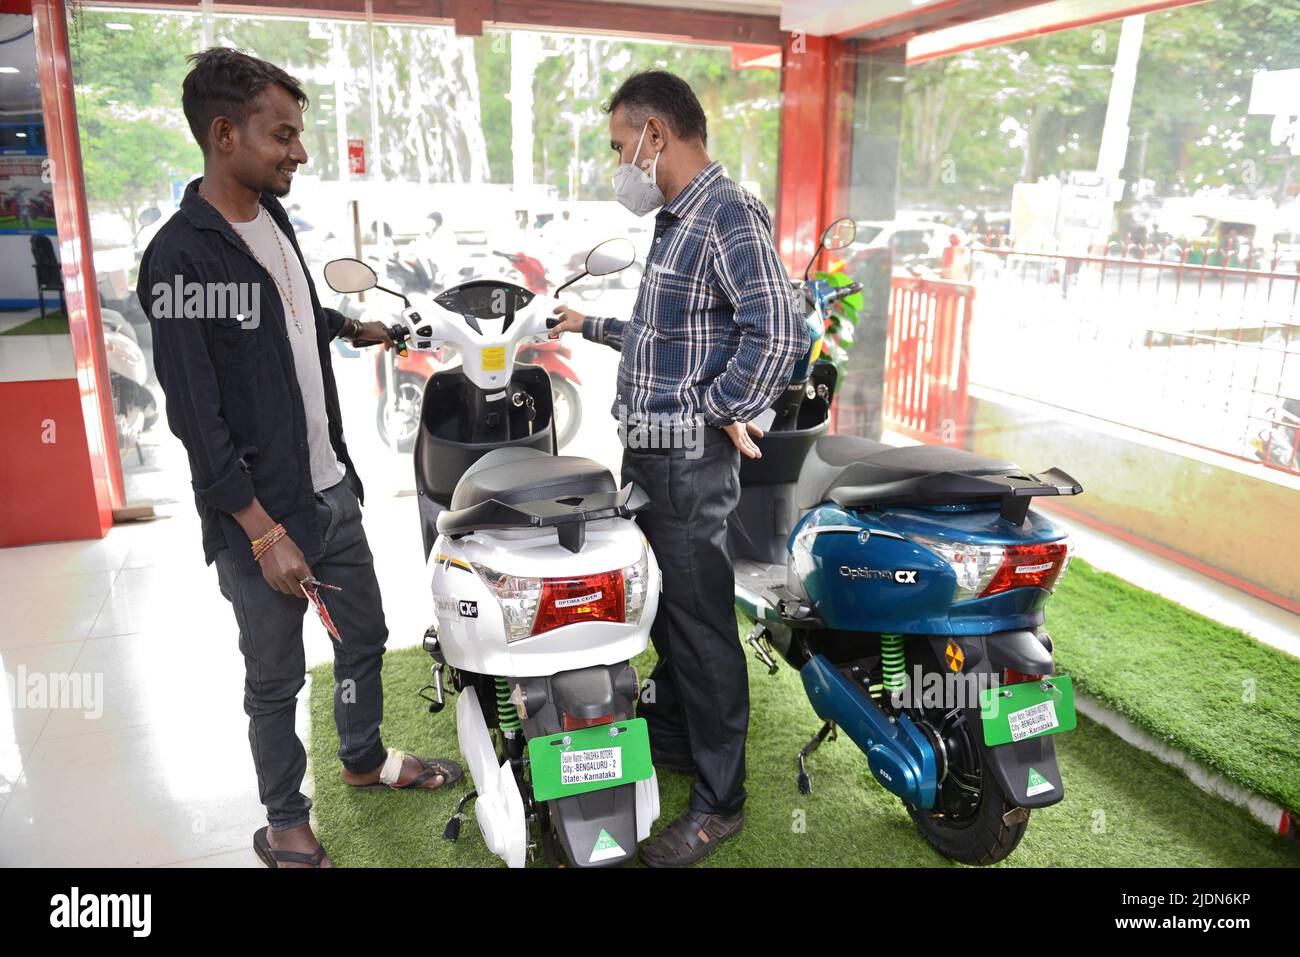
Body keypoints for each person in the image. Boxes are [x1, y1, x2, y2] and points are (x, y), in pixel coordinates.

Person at [137, 48, 461, 869]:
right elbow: (196, 418)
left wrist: (354, 328)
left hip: (328, 489)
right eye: (282, 135)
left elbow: (292, 315)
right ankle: (285, 819)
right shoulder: (181, 258)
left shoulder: (271, 218)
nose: (299, 152)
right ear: (222, 134)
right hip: (262, 517)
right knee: (275, 678)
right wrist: (257, 530)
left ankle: (361, 755)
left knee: (364, 636)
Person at [549, 70, 805, 867]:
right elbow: (672, 340)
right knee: (664, 607)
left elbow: (780, 331)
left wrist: (718, 408)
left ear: (656, 134)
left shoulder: (727, 210)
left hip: (687, 461)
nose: (619, 163)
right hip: (653, 456)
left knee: (700, 629)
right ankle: (682, 733)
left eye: (621, 146)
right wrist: (588, 323)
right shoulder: (677, 219)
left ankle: (720, 802)